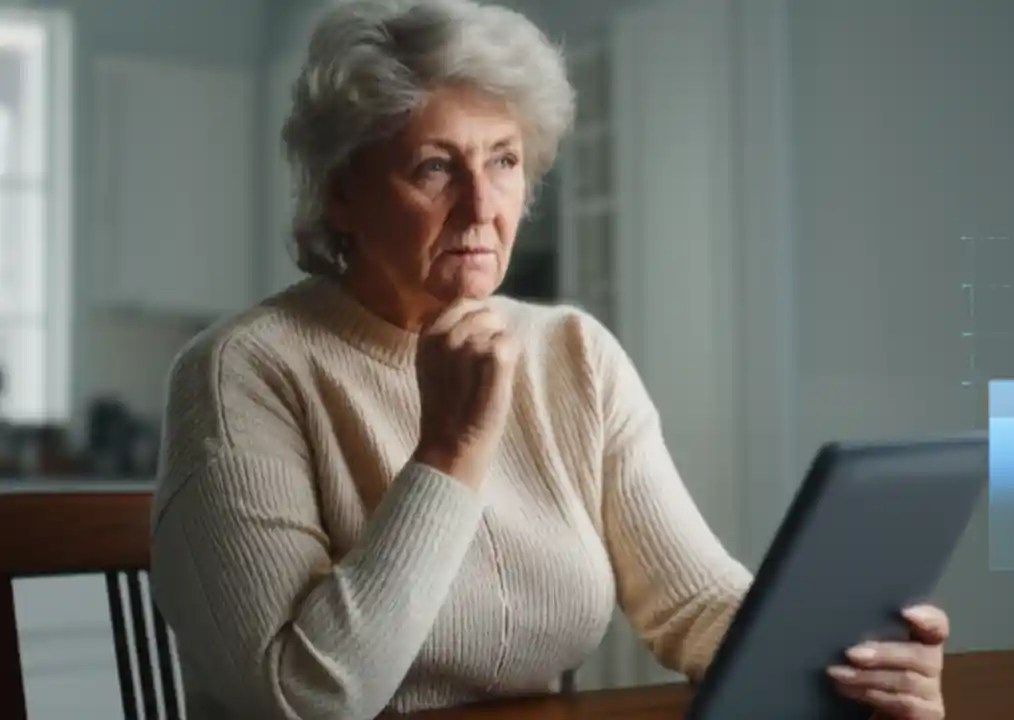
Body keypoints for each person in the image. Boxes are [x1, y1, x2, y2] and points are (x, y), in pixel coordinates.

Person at [148, 0, 951, 718]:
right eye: (435, 166)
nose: (482, 206)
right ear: (340, 193)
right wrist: (449, 450)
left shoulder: (573, 352)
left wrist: (851, 663)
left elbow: (694, 601)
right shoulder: (242, 373)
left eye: (502, 160)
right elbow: (305, 698)